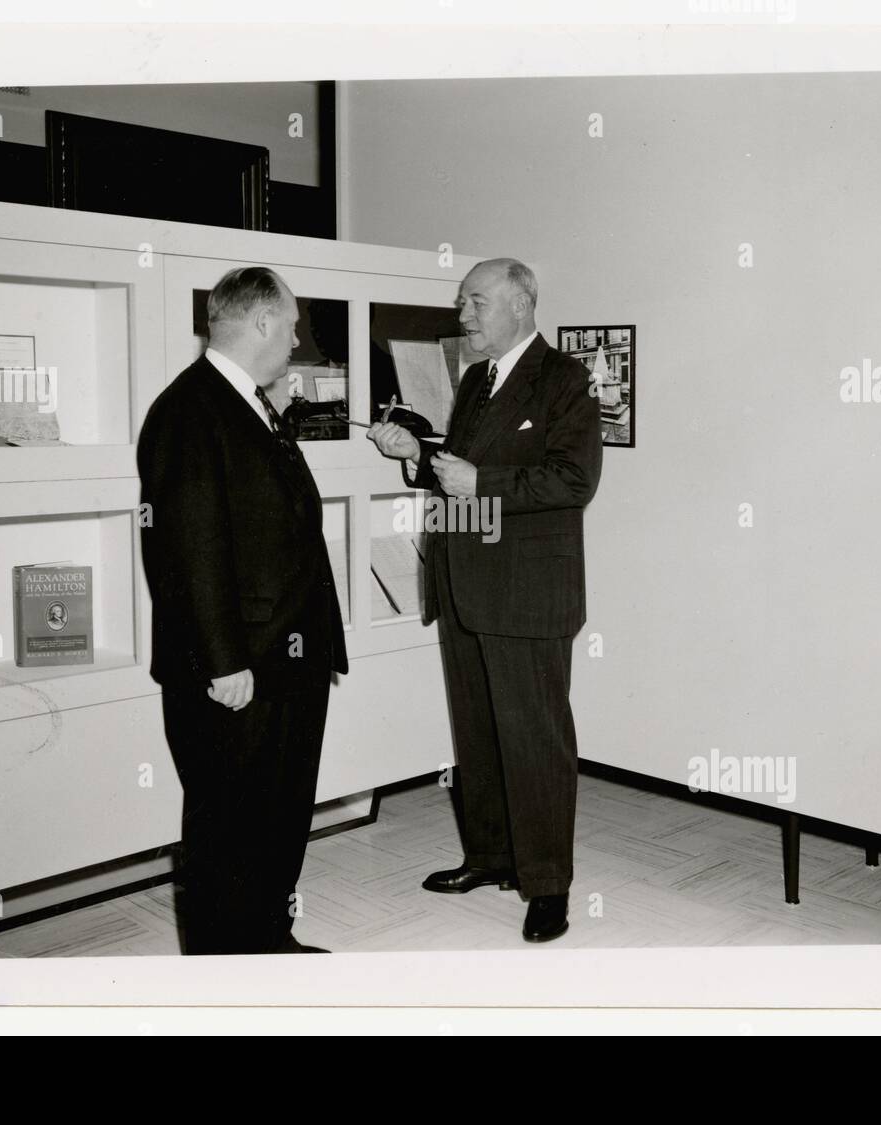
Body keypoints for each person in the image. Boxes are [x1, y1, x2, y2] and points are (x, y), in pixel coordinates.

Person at [368, 258, 602, 942]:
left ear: (521, 305)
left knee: (535, 741)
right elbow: (456, 474)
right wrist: (415, 455)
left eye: (475, 301)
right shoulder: (476, 379)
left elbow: (573, 479)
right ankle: (492, 857)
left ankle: (547, 885)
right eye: (461, 302)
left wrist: (484, 481)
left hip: (528, 594)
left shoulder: (565, 378)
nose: (462, 314)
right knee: (478, 735)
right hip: (464, 585)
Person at [137, 266, 347, 955]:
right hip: (238, 670)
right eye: (290, 323)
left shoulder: (250, 402)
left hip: (285, 657)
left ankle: (268, 942)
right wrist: (224, 661)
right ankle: (224, 972)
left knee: (279, 813)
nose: (296, 337)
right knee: (227, 826)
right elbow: (189, 549)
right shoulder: (190, 409)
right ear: (259, 322)